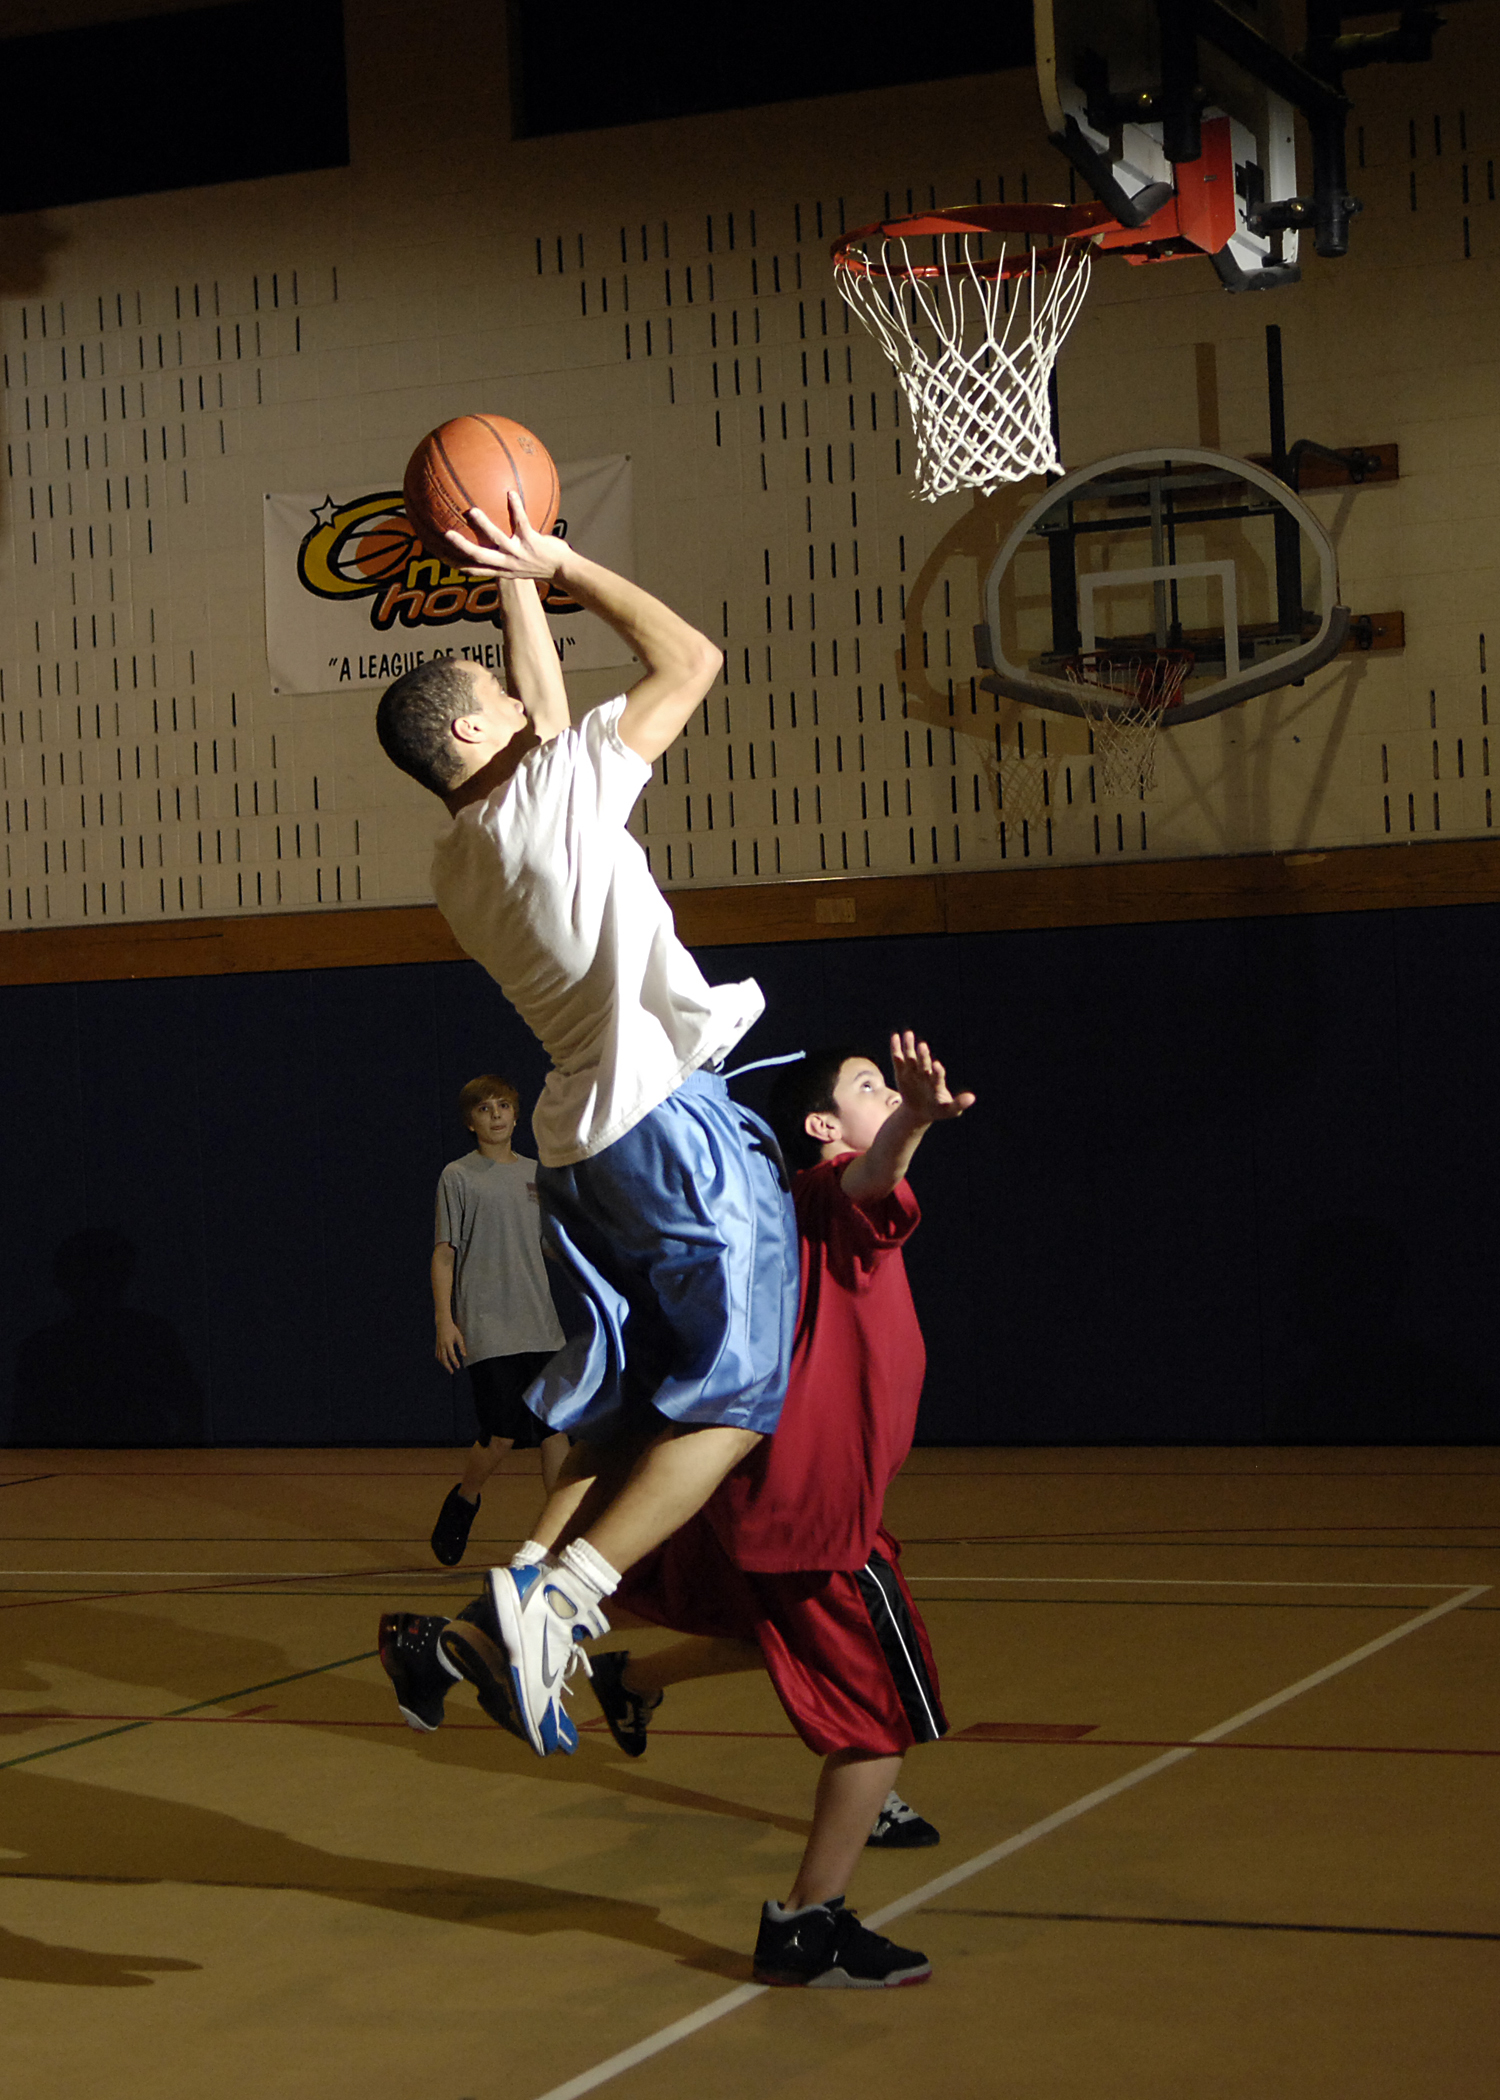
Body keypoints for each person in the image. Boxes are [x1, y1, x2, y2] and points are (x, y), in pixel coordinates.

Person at [379, 1031, 974, 1987]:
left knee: (751, 1631)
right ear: (824, 1127)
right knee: (883, 1724)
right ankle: (808, 1923)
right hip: (818, 1517)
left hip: (763, 1498)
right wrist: (914, 1115)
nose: (885, 1089)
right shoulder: (825, 1198)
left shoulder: (780, 1218)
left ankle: (527, 1658)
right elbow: (875, 1181)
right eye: (865, 1085)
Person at [374, 494, 798, 1757]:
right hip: (669, 1133)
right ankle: (559, 1600)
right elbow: (693, 662)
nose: (521, 698)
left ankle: (504, 1606)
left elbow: (544, 719)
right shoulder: (555, 794)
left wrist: (514, 587)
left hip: (583, 1152)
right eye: (495, 697)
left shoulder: (464, 857)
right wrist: (562, 562)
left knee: (624, 1415)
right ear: (467, 727)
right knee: (737, 1396)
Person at [428, 1072, 570, 1567]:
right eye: (485, 1109)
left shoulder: (538, 1172)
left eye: (503, 1107)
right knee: (504, 1431)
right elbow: (444, 1254)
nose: (495, 1116)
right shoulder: (459, 1176)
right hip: (488, 1323)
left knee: (554, 1430)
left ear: (516, 1113)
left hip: (540, 1321)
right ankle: (466, 1496)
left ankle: (557, 1538)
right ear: (471, 1121)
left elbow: (550, 1244)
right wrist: (446, 1321)